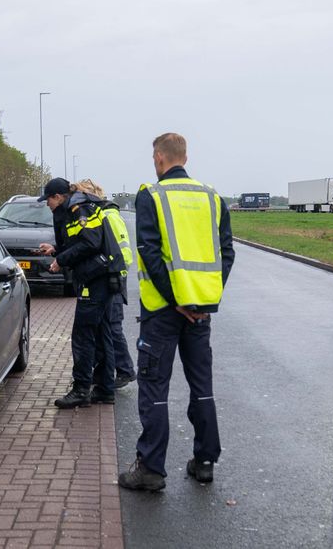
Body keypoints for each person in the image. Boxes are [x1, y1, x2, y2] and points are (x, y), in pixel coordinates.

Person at [118, 132, 235, 492]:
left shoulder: (151, 196)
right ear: (185, 156)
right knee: (202, 387)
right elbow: (226, 253)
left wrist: (176, 300)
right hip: (200, 313)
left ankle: (151, 469)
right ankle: (204, 462)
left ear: (159, 158)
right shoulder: (213, 197)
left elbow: (150, 254)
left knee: (154, 388)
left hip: (162, 312)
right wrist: (201, 301)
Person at [36, 177, 124, 409]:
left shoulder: (79, 208)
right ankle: (105, 389)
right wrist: (57, 249)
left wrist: (60, 260)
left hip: (96, 279)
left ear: (58, 197)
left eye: (49, 200)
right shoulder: (76, 208)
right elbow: (80, 240)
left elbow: (91, 243)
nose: (47, 205)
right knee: (103, 332)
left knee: (83, 335)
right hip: (102, 277)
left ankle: (81, 390)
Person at [73, 178, 137, 390]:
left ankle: (125, 370)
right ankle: (106, 371)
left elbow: (123, 251)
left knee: (113, 327)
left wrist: (113, 273)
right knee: (107, 328)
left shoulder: (108, 215)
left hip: (113, 279)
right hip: (109, 277)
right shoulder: (99, 214)